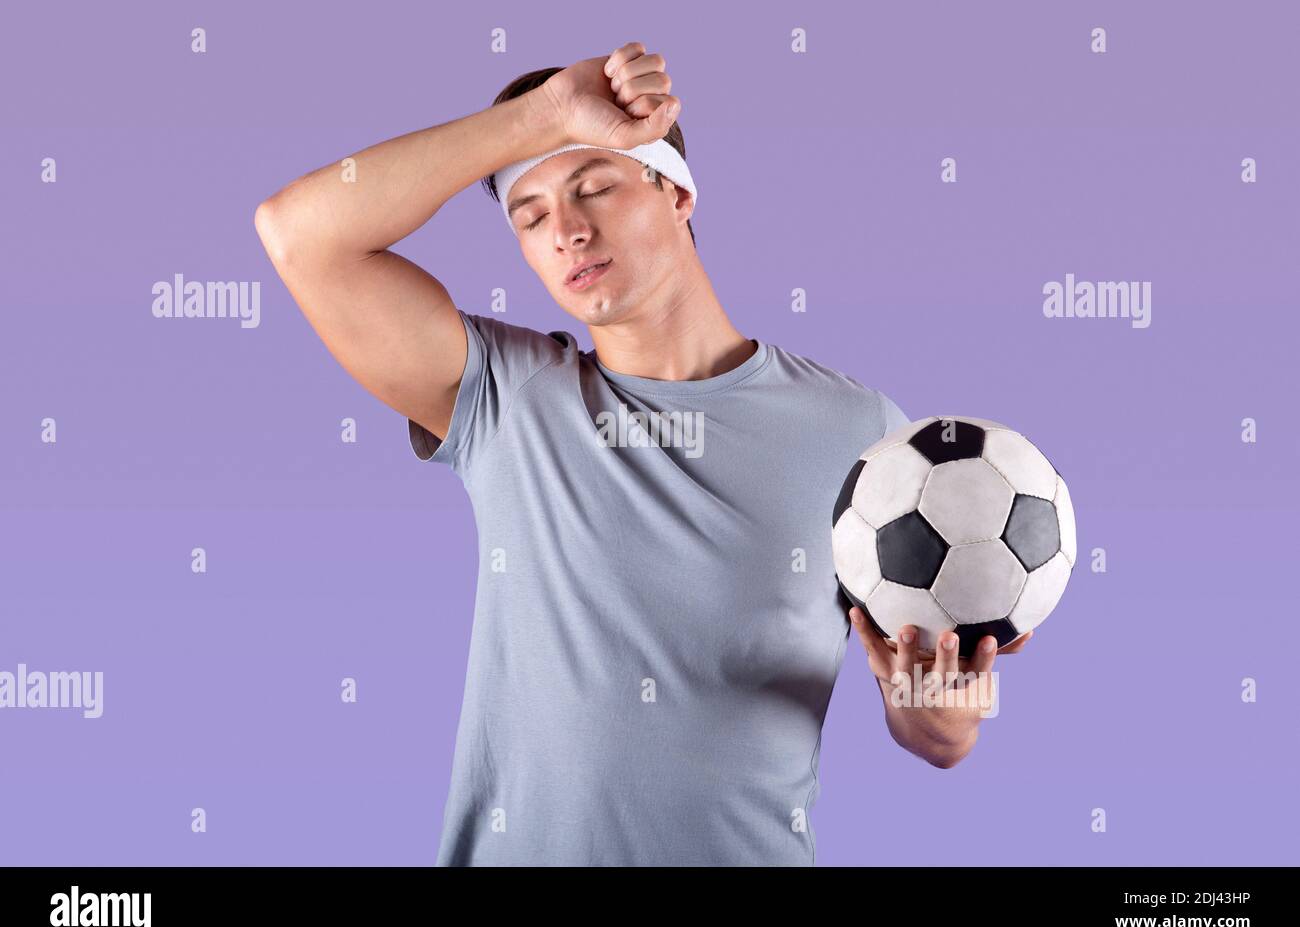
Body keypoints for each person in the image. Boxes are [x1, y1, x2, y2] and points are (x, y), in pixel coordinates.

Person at [254, 41, 1028, 866]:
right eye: (531, 215)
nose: (569, 231)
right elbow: (298, 233)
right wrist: (545, 116)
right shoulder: (503, 396)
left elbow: (935, 731)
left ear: (677, 191)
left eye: (595, 186)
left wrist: (937, 711)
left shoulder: (857, 431)